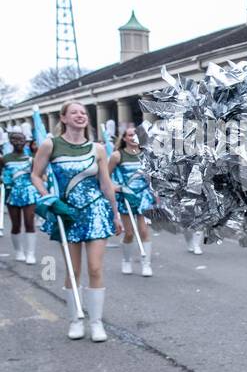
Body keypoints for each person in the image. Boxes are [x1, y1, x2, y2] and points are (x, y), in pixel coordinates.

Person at [31, 101, 122, 342]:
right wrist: (49, 199)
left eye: (83, 113)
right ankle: (75, 319)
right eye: (74, 113)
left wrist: (115, 213)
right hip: (66, 214)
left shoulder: (98, 149)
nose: (80, 116)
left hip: (95, 212)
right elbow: (35, 175)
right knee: (73, 270)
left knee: (94, 268)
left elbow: (105, 183)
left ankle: (96, 322)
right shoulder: (51, 145)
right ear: (63, 118)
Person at [109, 124, 156, 277]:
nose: (133, 137)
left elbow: (153, 175)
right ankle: (126, 261)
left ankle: (146, 264)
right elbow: (105, 176)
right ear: (124, 138)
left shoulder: (147, 154)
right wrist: (115, 187)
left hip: (143, 197)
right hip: (126, 197)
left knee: (144, 231)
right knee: (129, 233)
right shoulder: (117, 155)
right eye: (129, 135)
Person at [3, 129, 39, 264]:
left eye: (21, 140)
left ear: (25, 142)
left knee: (29, 223)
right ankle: (19, 251)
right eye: (15, 139)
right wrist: (5, 180)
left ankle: (31, 254)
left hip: (29, 193)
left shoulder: (31, 159)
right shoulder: (5, 159)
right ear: (10, 141)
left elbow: (37, 176)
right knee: (16, 224)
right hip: (12, 193)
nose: (18, 142)